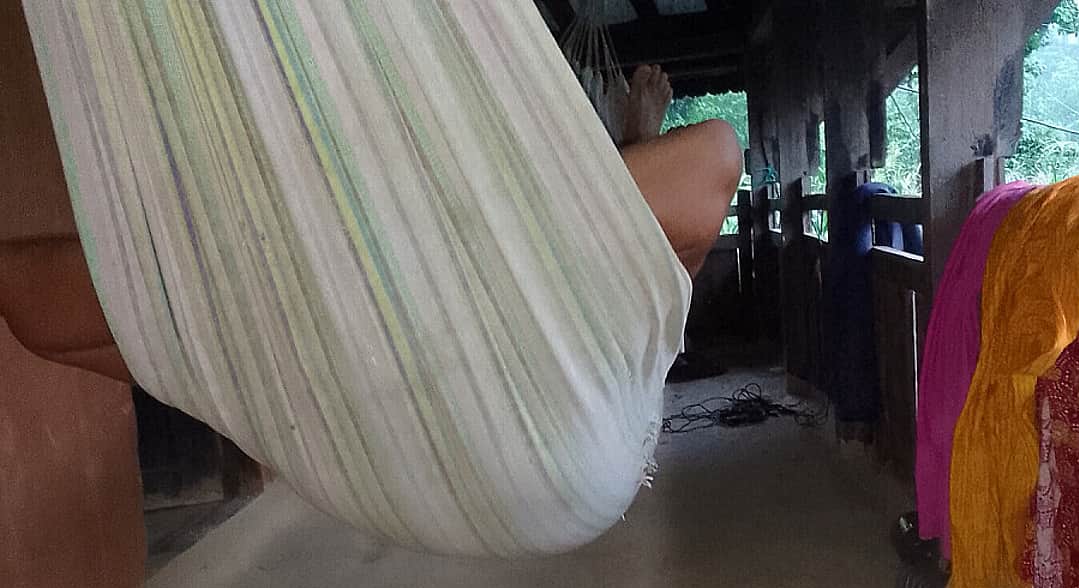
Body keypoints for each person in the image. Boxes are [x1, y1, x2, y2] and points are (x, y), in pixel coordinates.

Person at [0, 54, 742, 386]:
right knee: (41, 304)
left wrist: (635, 141)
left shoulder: (618, 328)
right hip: (353, 317)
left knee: (46, 305)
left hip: (369, 325)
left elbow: (707, 162)